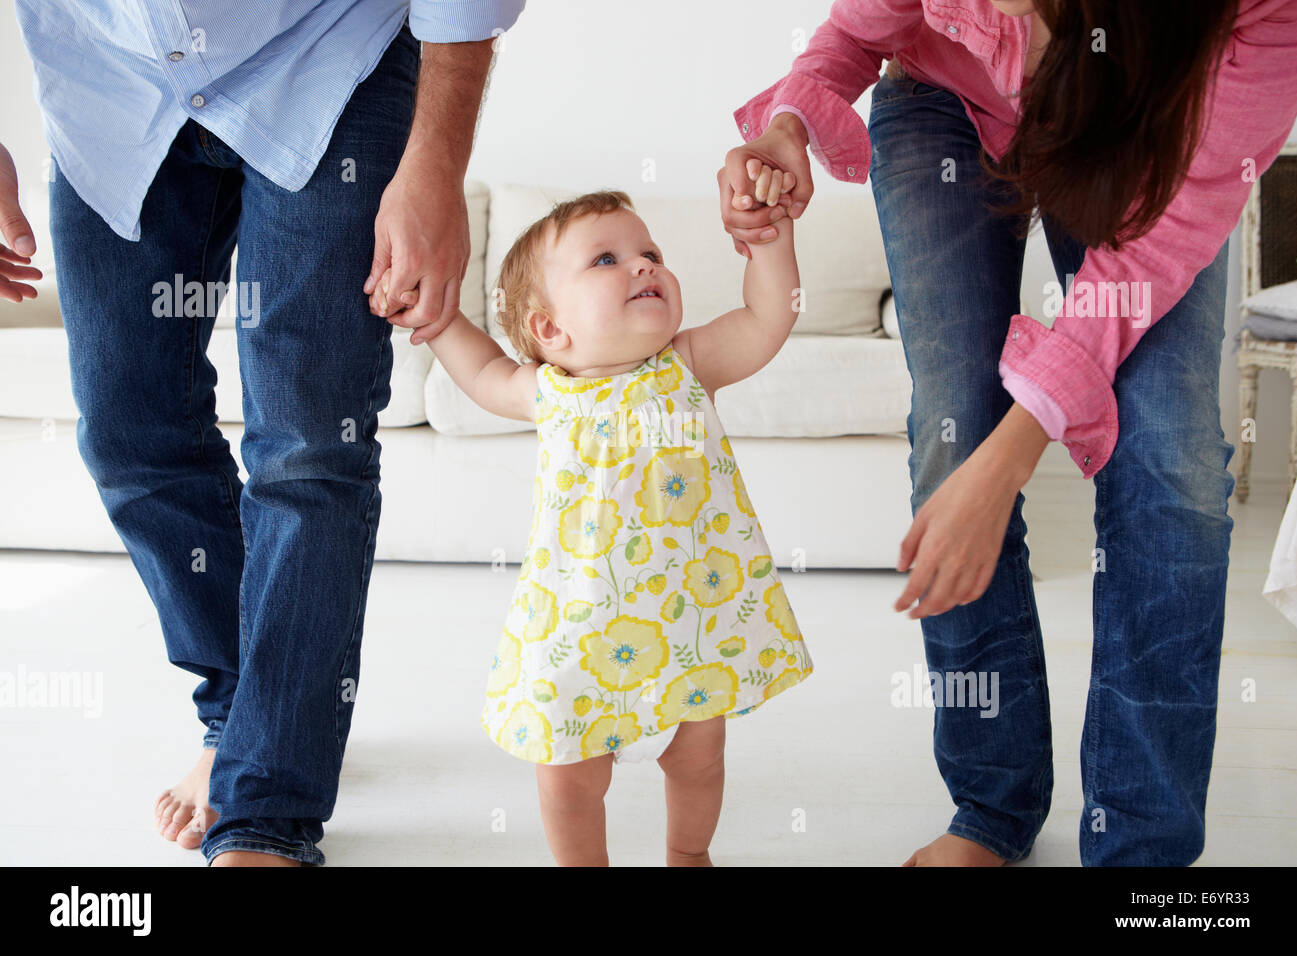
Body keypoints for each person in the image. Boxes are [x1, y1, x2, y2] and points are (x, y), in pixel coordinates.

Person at [720, 0, 1297, 865]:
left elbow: (1139, 267)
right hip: (938, 109)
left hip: (1143, 129)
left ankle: (1144, 853)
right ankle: (991, 807)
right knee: (954, 434)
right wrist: (791, 124)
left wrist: (1013, 458)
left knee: (1171, 461)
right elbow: (857, 29)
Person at [1, 0, 525, 866]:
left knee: (308, 444)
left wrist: (436, 158)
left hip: (330, 53)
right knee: (129, 429)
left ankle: (266, 805)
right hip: (107, 81)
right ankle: (246, 714)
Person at [372, 183, 812, 865]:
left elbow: (766, 316)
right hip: (575, 630)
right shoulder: (547, 392)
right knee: (568, 779)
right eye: (606, 260)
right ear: (549, 329)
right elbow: (485, 368)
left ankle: (689, 854)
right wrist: (436, 317)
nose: (644, 265)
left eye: (650, 253)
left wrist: (770, 246)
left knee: (699, 760)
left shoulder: (689, 366)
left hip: (687, 625)